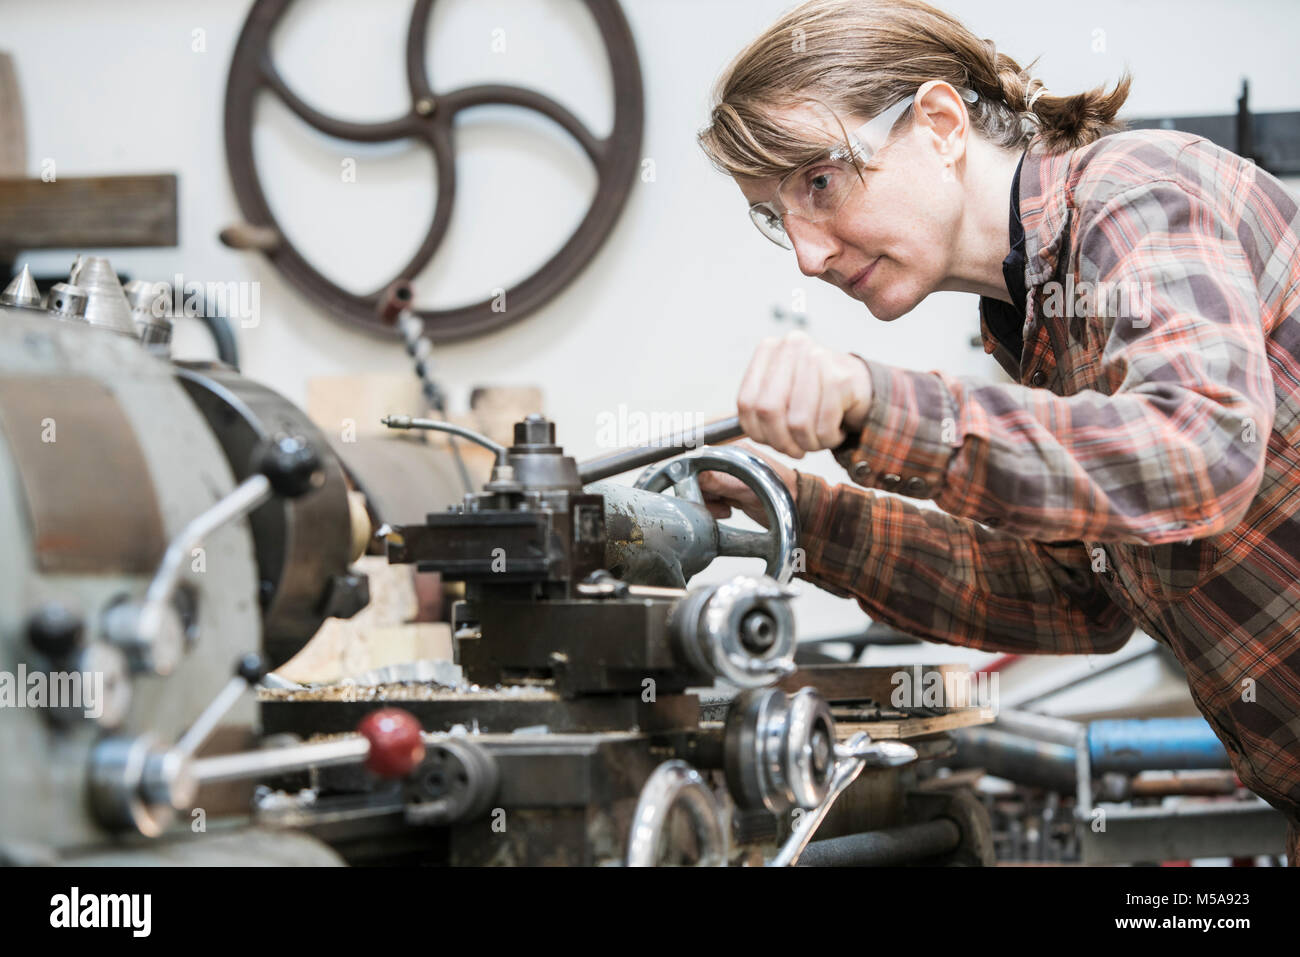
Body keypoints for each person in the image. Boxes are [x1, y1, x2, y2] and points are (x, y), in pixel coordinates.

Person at [693, 0, 1300, 862]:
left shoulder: (1137, 195)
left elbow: (1203, 448)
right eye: (774, 215)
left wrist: (880, 400)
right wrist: (806, 516)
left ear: (939, 123)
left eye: (818, 183)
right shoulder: (1033, 325)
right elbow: (1075, 600)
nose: (806, 254)